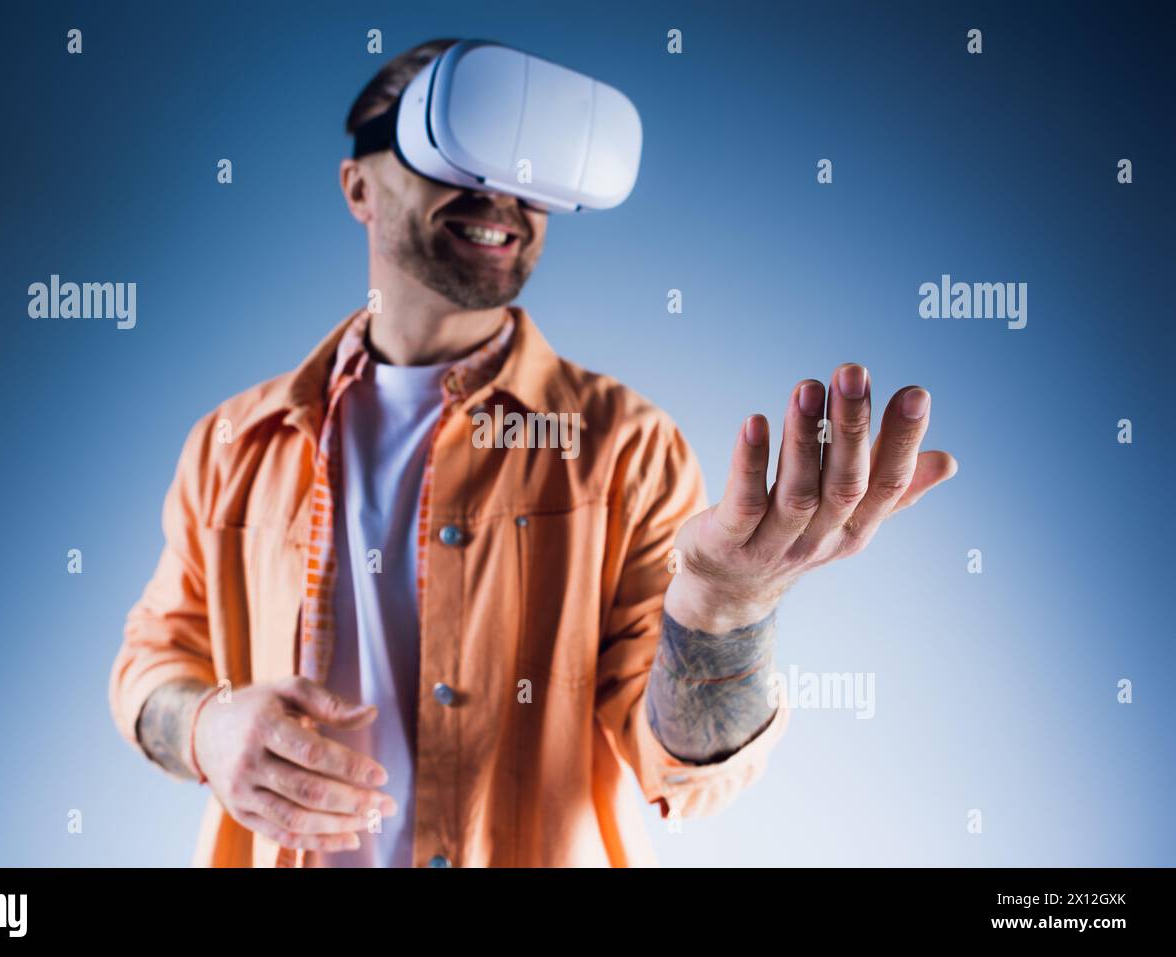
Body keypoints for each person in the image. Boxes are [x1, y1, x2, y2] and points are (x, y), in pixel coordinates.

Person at [109, 38, 958, 868]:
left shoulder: (625, 447)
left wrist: (723, 617)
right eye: (460, 157)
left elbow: (677, 761)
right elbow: (151, 660)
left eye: (529, 176)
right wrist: (206, 726)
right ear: (358, 185)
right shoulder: (234, 445)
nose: (502, 198)